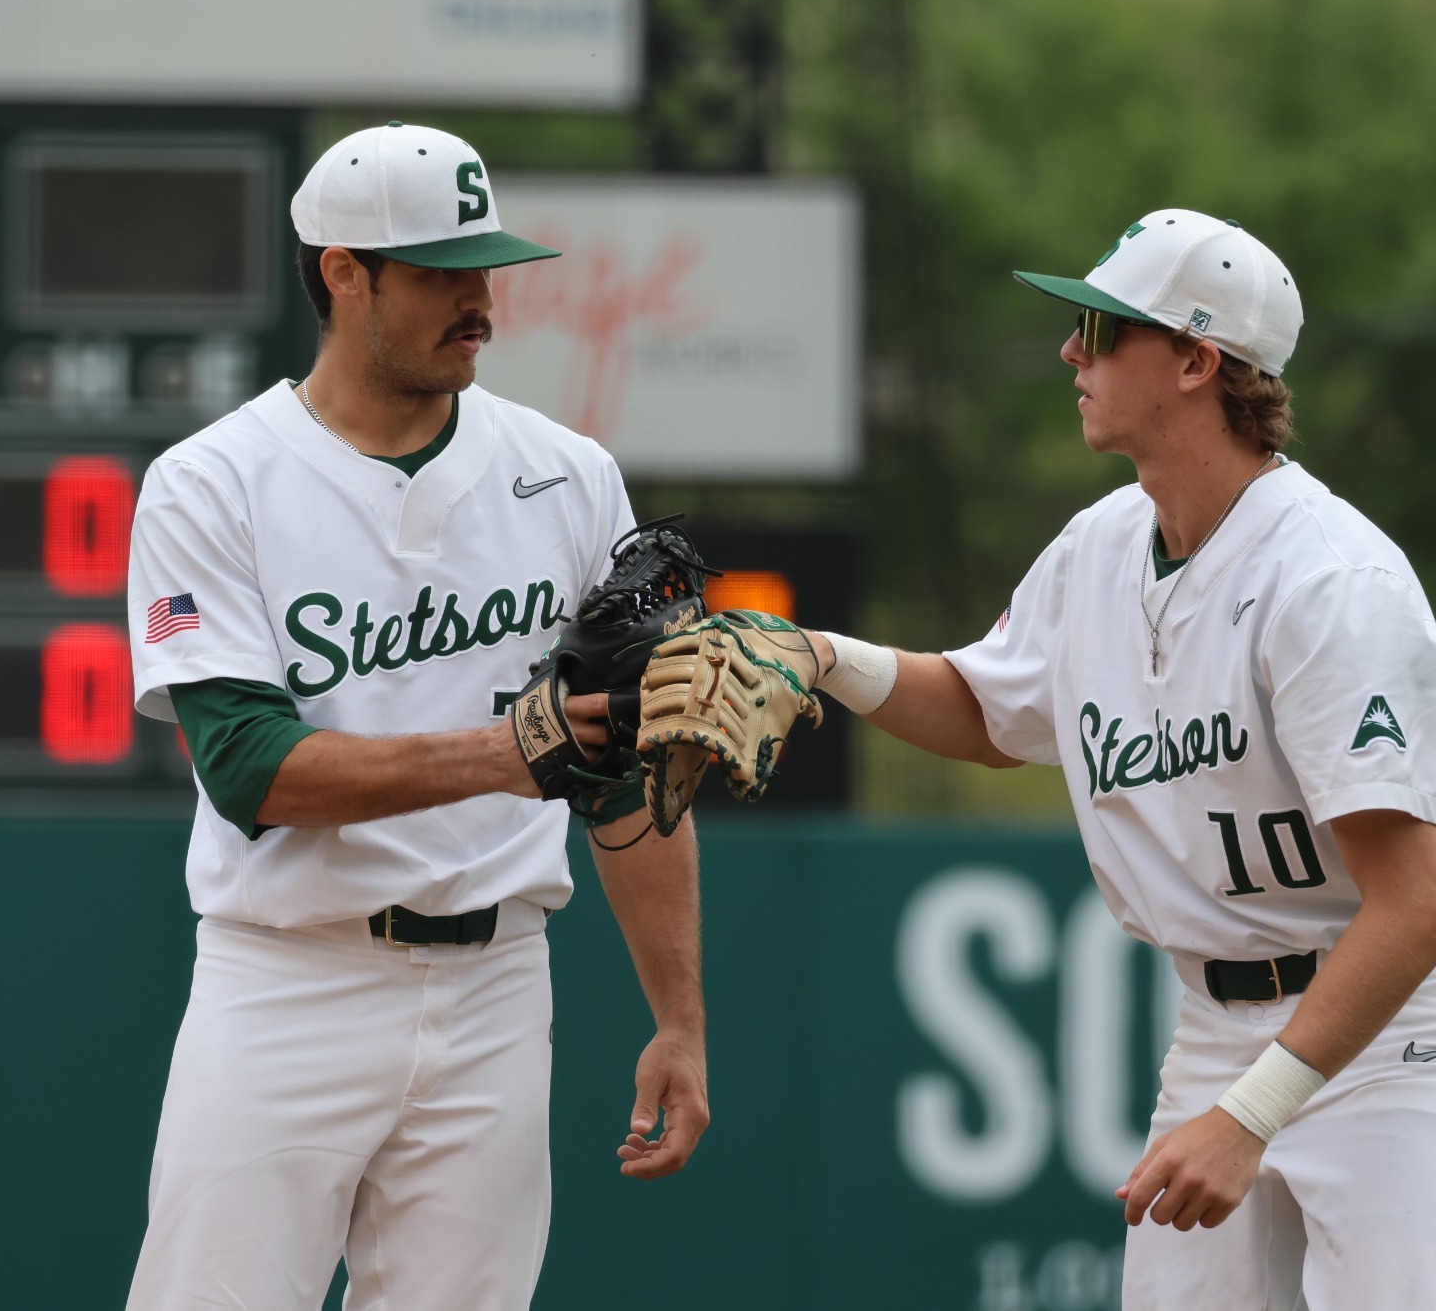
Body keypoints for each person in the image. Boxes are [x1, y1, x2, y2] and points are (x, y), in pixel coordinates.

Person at [124, 121, 708, 1310]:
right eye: (441, 270)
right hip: (287, 980)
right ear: (344, 271)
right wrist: (504, 752)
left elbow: (617, 774)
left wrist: (677, 1019)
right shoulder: (210, 480)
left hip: (498, 983)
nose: (480, 299)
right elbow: (247, 768)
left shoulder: (568, 474)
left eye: (486, 266)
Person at [803, 209, 1436, 1305]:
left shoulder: (1328, 581)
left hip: (1386, 1042)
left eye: (1100, 326)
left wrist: (1251, 1113)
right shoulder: (1100, 543)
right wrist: (818, 656)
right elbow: (985, 711)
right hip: (1210, 1025)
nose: (1068, 350)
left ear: (1195, 361)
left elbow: (1415, 903)